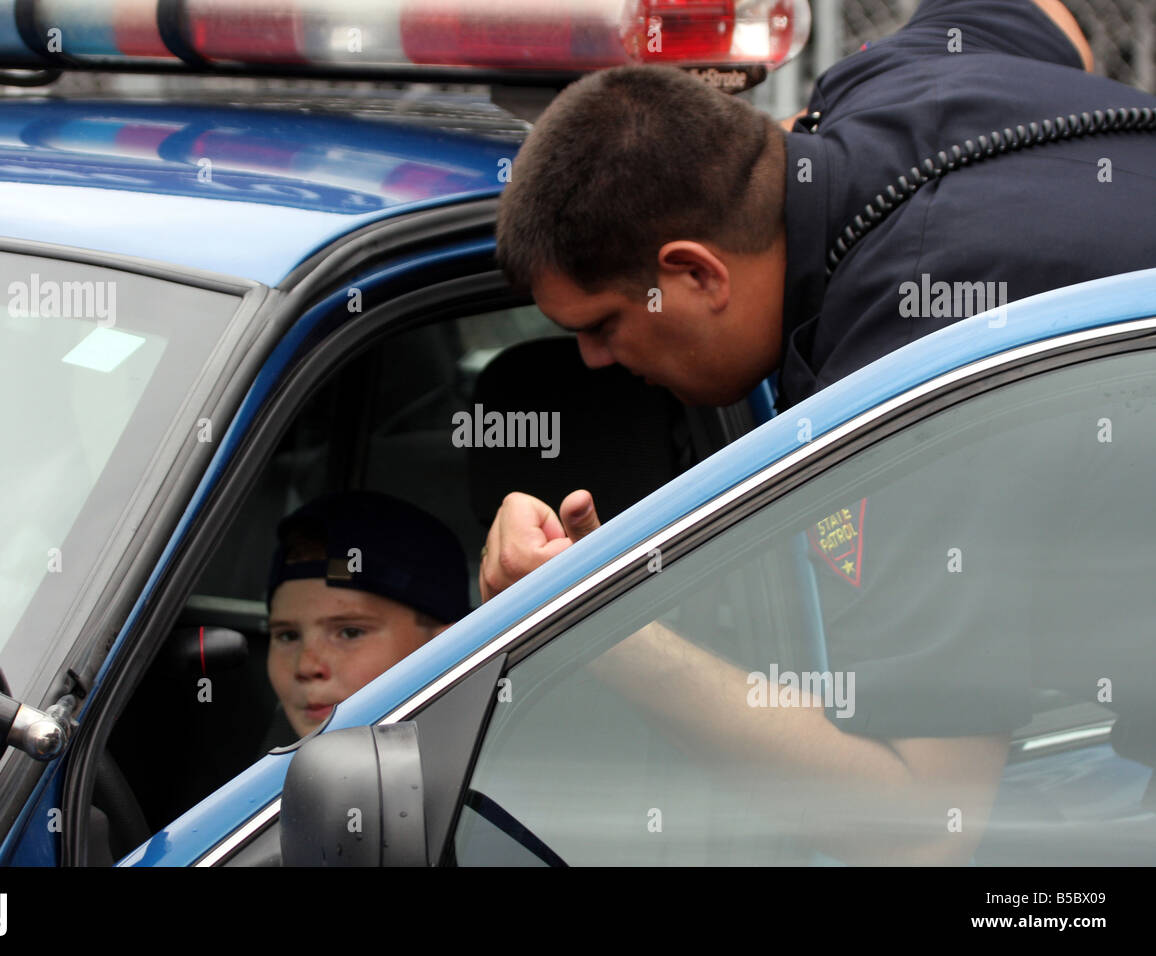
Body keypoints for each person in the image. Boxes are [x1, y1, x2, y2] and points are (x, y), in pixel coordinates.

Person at [479, 0, 1155, 863]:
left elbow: (923, 832)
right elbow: (1046, 18)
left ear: (695, 272)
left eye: (605, 324)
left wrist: (593, 622)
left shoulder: (912, 393)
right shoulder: (878, 83)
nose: (594, 363)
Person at [261, 490, 469, 746]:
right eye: (288, 635)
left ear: (444, 647)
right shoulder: (259, 773)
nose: (306, 666)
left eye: (350, 632)